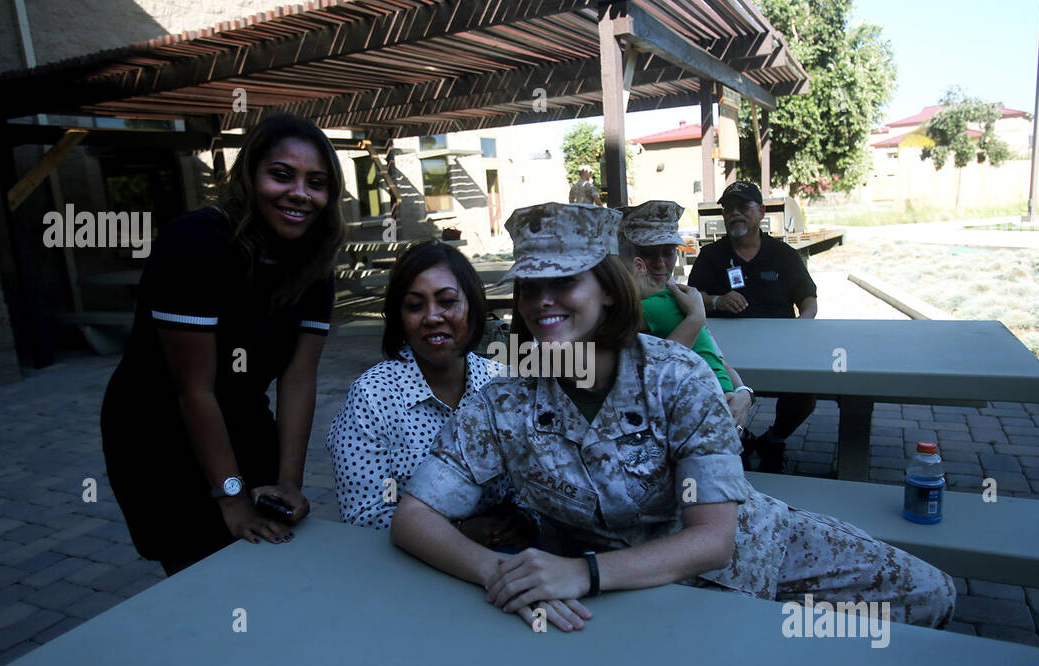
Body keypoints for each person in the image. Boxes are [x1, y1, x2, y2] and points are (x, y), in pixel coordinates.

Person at [390, 202, 955, 633]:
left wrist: (582, 573)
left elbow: (713, 539)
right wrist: (496, 572)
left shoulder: (677, 377)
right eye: (530, 286)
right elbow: (413, 515)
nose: (543, 301)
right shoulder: (503, 401)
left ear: (607, 290)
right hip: (630, 598)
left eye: (564, 282)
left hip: (755, 552)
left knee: (929, 593)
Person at [101, 113, 346, 576]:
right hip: (158, 429)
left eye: (316, 182)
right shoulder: (196, 242)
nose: (300, 193)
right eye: (281, 175)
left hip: (241, 413)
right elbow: (194, 389)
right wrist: (232, 499)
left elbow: (298, 379)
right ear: (250, 175)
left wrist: (288, 483)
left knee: (273, 547)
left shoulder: (315, 260)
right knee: (202, 563)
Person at [326, 240, 533, 549]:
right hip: (407, 566)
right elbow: (365, 515)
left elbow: (533, 484)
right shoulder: (373, 397)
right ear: (399, 316)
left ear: (473, 306)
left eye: (447, 301)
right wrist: (458, 532)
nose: (432, 316)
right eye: (414, 305)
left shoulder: (500, 385)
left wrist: (524, 520)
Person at [688, 181, 817, 474]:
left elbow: (808, 301)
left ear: (760, 211)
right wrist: (716, 300)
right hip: (725, 350)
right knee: (708, 389)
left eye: (742, 207)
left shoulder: (783, 254)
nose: (734, 214)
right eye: (728, 209)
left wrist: (800, 329)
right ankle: (737, 439)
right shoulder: (711, 256)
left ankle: (775, 439)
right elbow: (688, 300)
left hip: (780, 348)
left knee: (806, 394)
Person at [618, 200, 756, 446]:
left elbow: (718, 360)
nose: (661, 263)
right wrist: (695, 319)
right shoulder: (685, 302)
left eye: (668, 251)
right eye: (647, 253)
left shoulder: (668, 303)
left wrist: (744, 394)